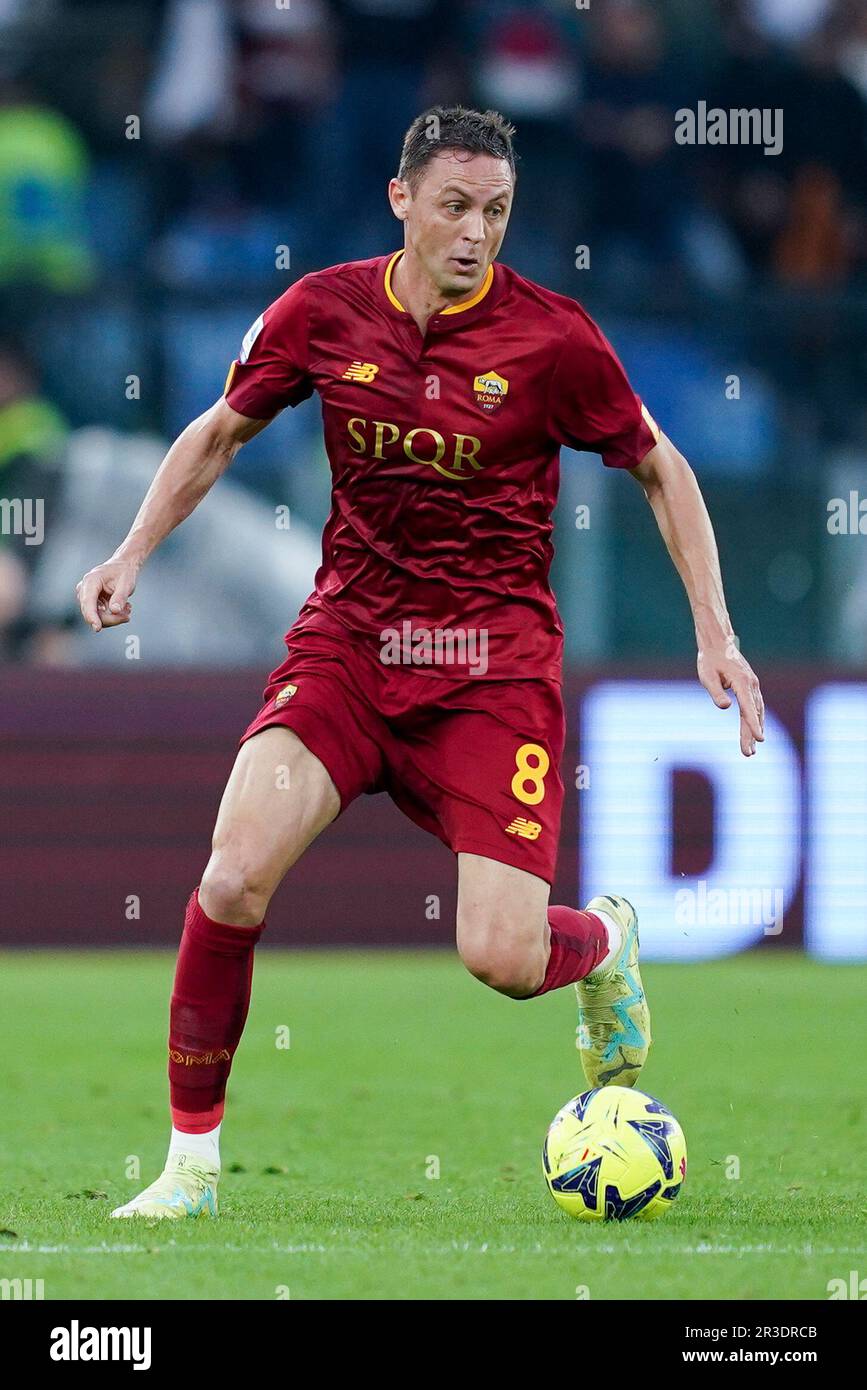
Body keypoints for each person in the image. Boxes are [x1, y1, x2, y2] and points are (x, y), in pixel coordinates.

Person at [76, 107, 764, 1220]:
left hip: (492, 674)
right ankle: (192, 1170)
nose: (475, 233)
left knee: (497, 955)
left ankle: (603, 942)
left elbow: (661, 467)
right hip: (351, 645)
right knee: (232, 874)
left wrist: (715, 631)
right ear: (401, 201)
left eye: (495, 212)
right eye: (454, 207)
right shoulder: (322, 311)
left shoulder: (552, 339)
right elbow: (217, 432)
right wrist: (130, 552)